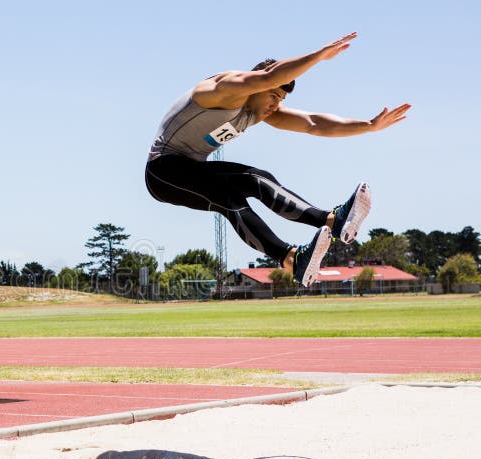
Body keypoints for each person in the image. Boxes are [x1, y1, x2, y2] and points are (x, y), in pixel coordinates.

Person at [145, 32, 410, 287]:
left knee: (257, 179)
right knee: (228, 198)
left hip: (191, 168)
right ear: (258, 86)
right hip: (162, 171)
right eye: (273, 95)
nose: (276, 105)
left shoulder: (260, 111)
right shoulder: (223, 90)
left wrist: (369, 125)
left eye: (280, 99)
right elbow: (269, 76)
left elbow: (313, 124)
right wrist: (317, 56)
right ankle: (291, 258)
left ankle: (332, 221)